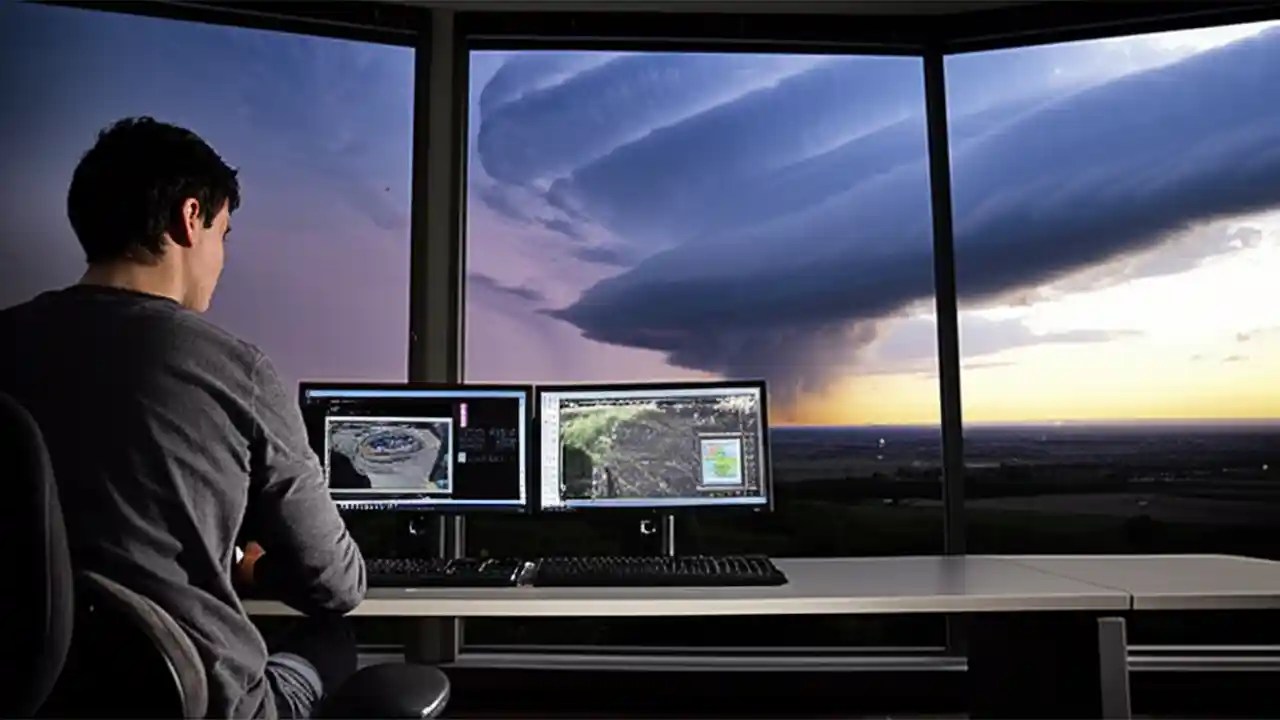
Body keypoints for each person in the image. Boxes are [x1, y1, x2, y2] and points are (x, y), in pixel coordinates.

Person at [0, 117, 366, 719]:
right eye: (224, 233)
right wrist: (255, 569)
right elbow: (338, 583)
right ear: (189, 218)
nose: (220, 259)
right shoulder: (233, 368)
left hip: (29, 696)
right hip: (200, 700)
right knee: (331, 636)